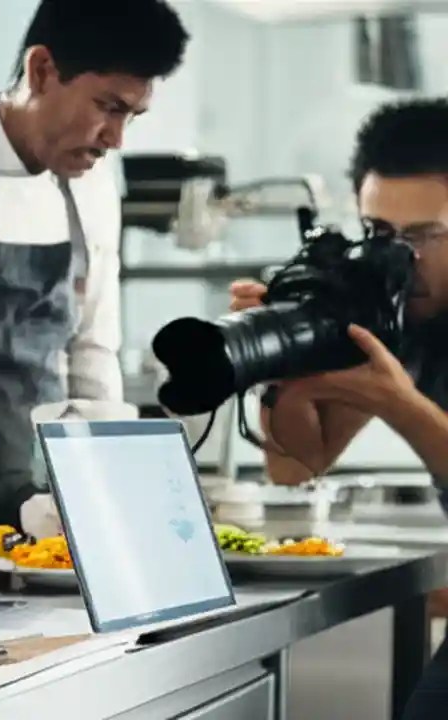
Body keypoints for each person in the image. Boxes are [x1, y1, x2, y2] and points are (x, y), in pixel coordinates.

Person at [0, 0, 190, 577]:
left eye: (133, 116)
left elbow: (92, 357)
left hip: (47, 529)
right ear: (42, 69)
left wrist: (111, 526)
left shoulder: (91, 190)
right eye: (107, 107)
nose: (116, 138)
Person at [224, 98, 448, 720]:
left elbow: (396, 408)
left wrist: (397, 404)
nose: (403, 258)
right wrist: (281, 353)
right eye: (381, 234)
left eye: (424, 236)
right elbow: (298, 465)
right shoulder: (399, 308)